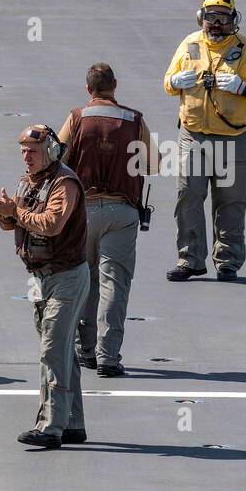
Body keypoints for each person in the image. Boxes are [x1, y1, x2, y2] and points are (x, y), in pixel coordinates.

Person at [0, 124, 89, 449]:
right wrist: (6, 214)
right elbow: (18, 219)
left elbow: (52, 224)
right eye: (23, 152)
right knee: (61, 352)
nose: (26, 158)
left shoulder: (64, 184)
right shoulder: (29, 182)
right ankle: (72, 423)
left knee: (52, 351)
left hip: (66, 276)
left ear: (51, 153)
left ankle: (50, 427)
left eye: (32, 152)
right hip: (38, 277)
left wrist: (14, 210)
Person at [164, 0, 246, 282]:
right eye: (210, 17)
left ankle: (228, 261)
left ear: (233, 21)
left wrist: (245, 88)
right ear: (201, 18)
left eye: (223, 18)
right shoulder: (189, 44)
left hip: (233, 139)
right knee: (188, 196)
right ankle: (190, 259)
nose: (216, 24)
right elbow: (167, 82)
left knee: (230, 200)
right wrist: (174, 82)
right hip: (193, 136)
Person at [58, 63, 157, 377]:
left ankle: (84, 351)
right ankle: (108, 357)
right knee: (115, 284)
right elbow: (153, 165)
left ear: (88, 89)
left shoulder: (76, 118)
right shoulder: (134, 119)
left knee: (83, 280)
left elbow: (54, 160)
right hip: (121, 212)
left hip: (81, 212)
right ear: (115, 85)